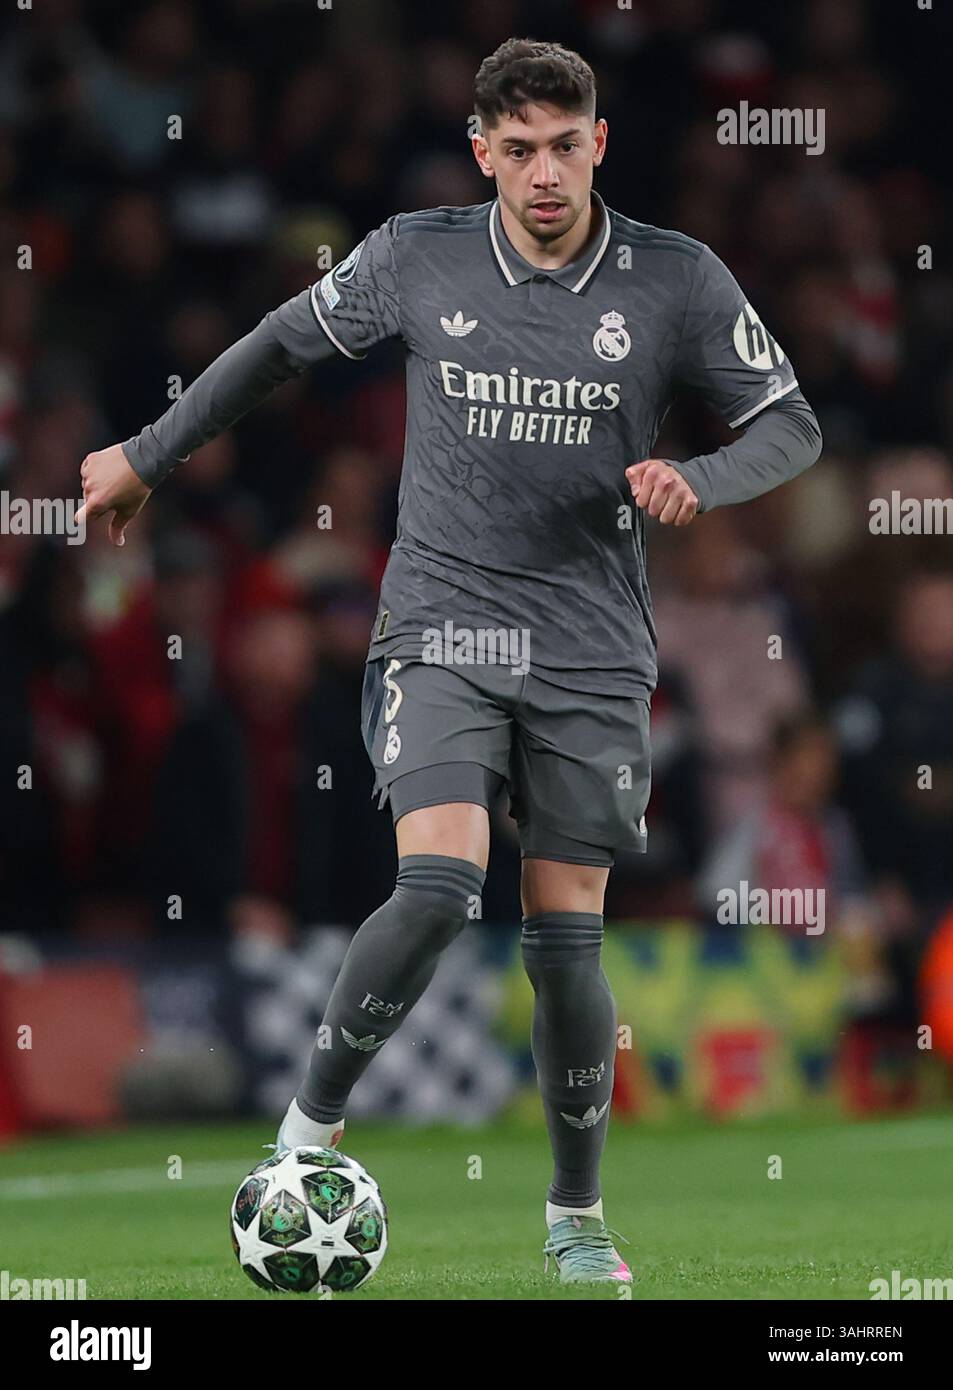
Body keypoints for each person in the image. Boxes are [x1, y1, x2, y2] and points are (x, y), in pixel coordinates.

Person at [76, 38, 822, 1284]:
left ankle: (574, 1218)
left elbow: (788, 421)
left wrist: (698, 475)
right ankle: (305, 1134)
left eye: (564, 145)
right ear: (482, 152)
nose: (543, 172)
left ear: (598, 144)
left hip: (590, 646)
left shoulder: (674, 279)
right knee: (438, 881)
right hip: (443, 622)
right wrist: (148, 454)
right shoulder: (412, 256)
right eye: (517, 149)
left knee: (566, 932)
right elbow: (273, 348)